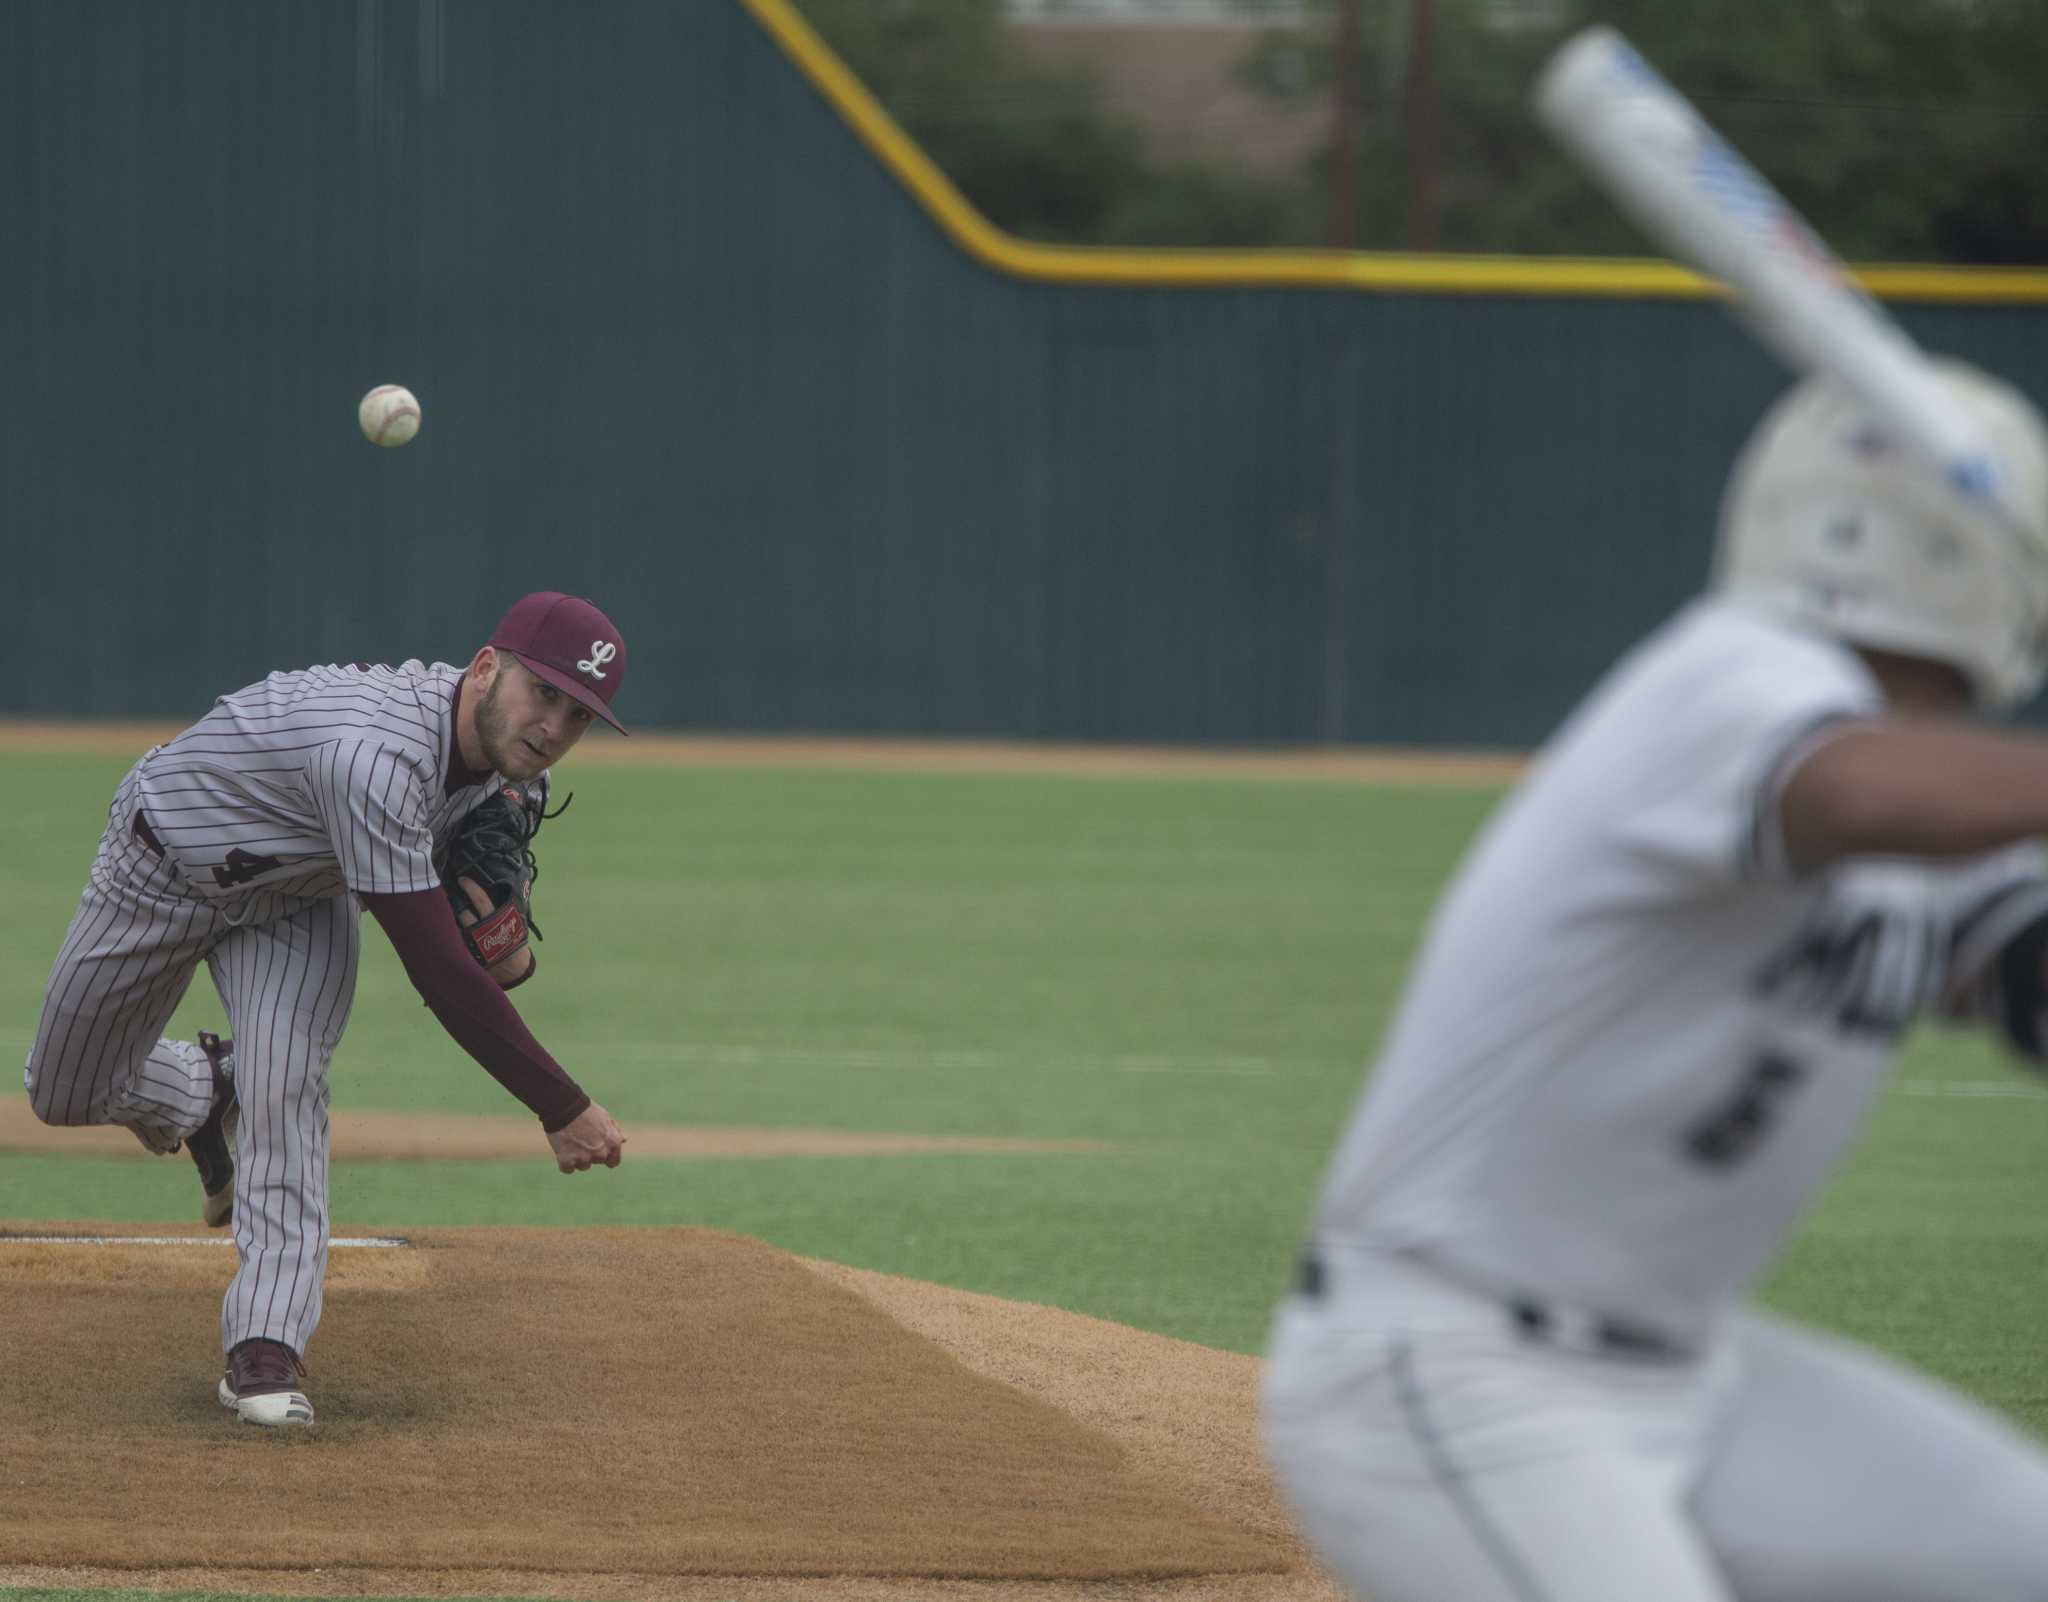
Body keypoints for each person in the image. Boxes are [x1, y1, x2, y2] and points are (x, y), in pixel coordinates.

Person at [1262, 361, 2048, 1602]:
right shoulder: (1734, 680)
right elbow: (1847, 793)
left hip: (1688, 1378)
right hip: (1446, 1371)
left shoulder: (1935, 805)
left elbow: (2024, 969)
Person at [24, 591, 632, 1429]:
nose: (554, 726)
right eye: (544, 693)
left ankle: (265, 1345)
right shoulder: (373, 757)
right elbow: (440, 972)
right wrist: (560, 1105)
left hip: (298, 899)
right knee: (63, 1092)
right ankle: (201, 1090)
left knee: (287, 1082)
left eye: (579, 714)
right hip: (160, 864)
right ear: (486, 670)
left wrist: (500, 928)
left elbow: (496, 953)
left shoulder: (510, 764)